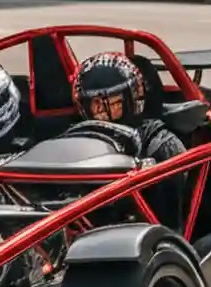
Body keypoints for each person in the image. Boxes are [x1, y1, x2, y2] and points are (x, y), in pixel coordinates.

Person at [65, 51, 187, 226]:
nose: (98, 111)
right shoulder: (75, 139)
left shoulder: (160, 144)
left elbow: (169, 219)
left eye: (109, 102)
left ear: (131, 99)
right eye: (94, 104)